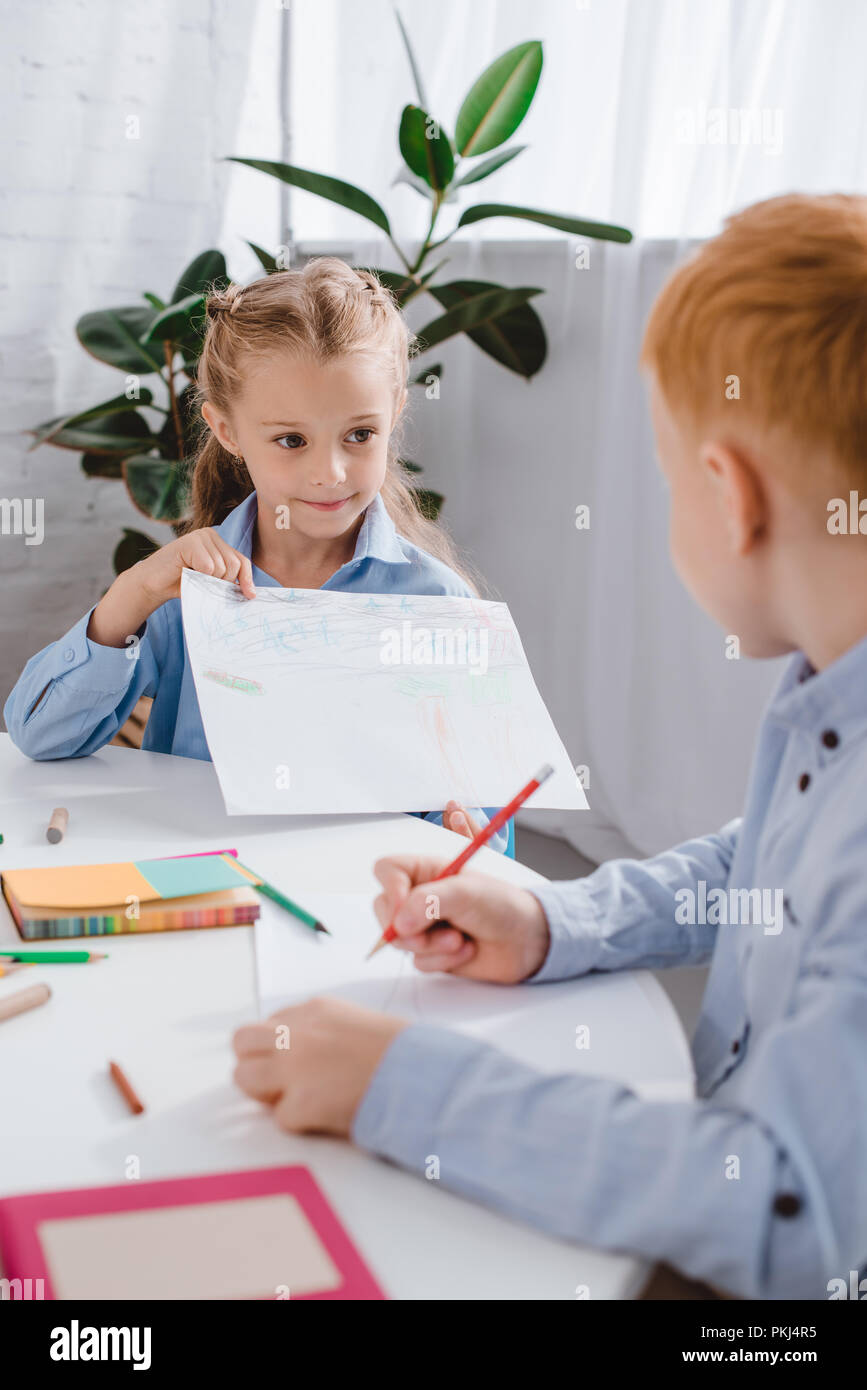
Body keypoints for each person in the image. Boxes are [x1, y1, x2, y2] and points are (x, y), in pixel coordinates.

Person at [232, 196, 867, 1300]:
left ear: (728, 495)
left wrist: (403, 1084)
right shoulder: (829, 695)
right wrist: (554, 917)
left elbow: (789, 1212)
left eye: (670, 483)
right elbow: (759, 866)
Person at [5, 258, 501, 847]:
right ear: (227, 431)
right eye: (291, 440)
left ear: (394, 413)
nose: (330, 473)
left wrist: (459, 834)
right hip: (202, 882)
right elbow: (39, 736)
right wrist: (134, 592)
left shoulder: (438, 604)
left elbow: (483, 831)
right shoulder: (186, 592)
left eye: (359, 435)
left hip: (352, 898)